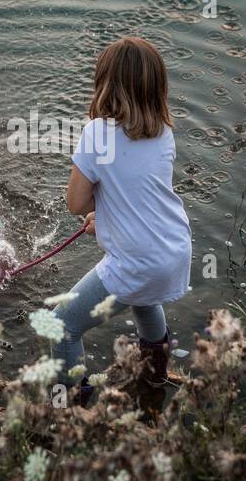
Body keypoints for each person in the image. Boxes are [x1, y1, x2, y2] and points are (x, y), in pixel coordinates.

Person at [52, 36, 193, 402]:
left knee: (61, 325)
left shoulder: (96, 134)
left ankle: (72, 403)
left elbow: (75, 202)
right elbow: (140, 197)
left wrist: (94, 211)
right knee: (144, 299)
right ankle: (155, 373)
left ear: (106, 84)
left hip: (137, 261)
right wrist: (108, 219)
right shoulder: (164, 132)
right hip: (173, 249)